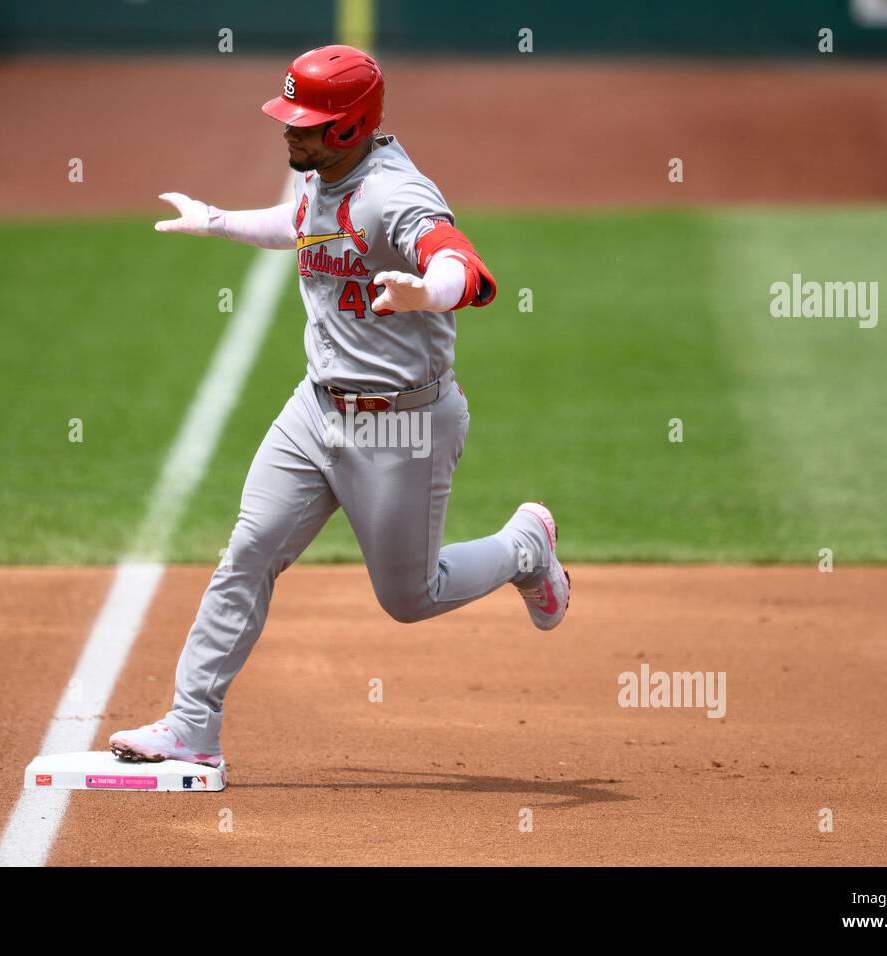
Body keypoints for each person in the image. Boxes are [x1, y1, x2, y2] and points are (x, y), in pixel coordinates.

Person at [109, 45, 569, 774]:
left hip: (399, 422)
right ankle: (193, 727)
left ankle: (525, 549)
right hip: (316, 408)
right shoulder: (327, 174)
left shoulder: (394, 193)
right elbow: (301, 223)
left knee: (410, 598)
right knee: (249, 551)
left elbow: (460, 260)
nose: (288, 132)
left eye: (305, 123)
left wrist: (430, 290)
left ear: (350, 128)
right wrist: (220, 221)